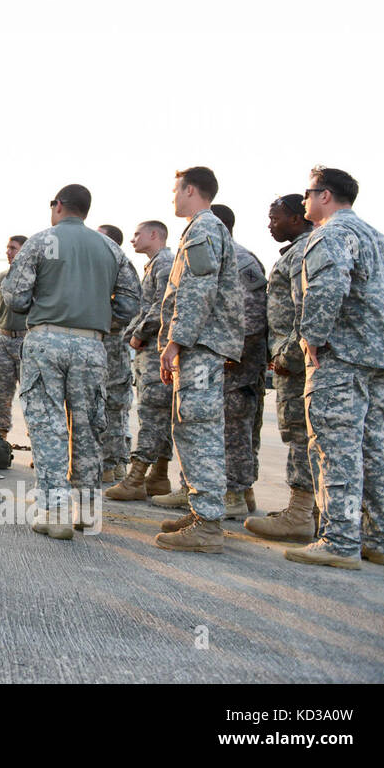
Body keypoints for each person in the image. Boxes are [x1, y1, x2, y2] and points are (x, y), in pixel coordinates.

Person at [2, 185, 140, 539]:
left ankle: (56, 511)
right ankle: (89, 512)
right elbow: (129, 303)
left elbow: (14, 295)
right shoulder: (110, 248)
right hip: (91, 344)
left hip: (46, 339)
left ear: (59, 205)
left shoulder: (41, 240)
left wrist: (46, 305)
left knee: (48, 426)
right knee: (89, 426)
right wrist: (97, 317)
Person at [286, 166, 384, 569]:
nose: (303, 201)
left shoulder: (332, 234)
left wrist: (312, 336)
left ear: (325, 196)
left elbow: (327, 285)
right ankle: (381, 539)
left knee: (336, 450)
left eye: (307, 193)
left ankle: (339, 541)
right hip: (378, 361)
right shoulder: (382, 241)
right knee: (375, 451)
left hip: (342, 358)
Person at [154, 167, 244, 553]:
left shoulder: (203, 229)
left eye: (175, 189)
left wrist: (175, 342)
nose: (172, 196)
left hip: (200, 348)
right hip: (200, 346)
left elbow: (197, 292)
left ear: (190, 189)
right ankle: (200, 512)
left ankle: (207, 525)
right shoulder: (201, 229)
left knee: (199, 431)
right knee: (190, 428)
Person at [245, 195, 317, 541]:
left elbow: (308, 312)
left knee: (301, 435)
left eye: (275, 218)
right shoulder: (299, 250)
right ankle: (310, 510)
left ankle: (301, 513)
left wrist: (285, 357)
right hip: (298, 360)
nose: (270, 224)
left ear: (297, 217)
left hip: (298, 366)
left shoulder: (306, 251)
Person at [106, 220, 174, 501]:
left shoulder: (164, 263)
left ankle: (136, 479)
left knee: (152, 413)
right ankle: (158, 477)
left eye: (137, 234)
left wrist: (137, 332)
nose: (132, 239)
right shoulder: (155, 263)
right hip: (152, 349)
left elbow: (163, 305)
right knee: (159, 415)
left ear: (154, 235)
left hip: (154, 348)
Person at [212, 203, 268, 518]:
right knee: (236, 428)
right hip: (234, 357)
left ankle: (233, 494)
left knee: (233, 430)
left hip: (238, 362)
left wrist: (236, 351)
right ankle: (240, 492)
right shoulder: (224, 256)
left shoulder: (237, 257)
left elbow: (254, 312)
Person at [96, 224, 140, 483]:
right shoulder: (96, 266)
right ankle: (109, 461)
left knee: (115, 405)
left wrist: (97, 319)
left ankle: (114, 462)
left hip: (113, 344)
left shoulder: (119, 265)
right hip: (96, 344)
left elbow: (129, 307)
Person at [0, 235, 29, 438]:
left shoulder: (37, 279)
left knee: (33, 395)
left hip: (27, 343)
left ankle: (39, 446)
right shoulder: (0, 278)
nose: (8, 252)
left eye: (13, 248)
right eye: (7, 248)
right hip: (2, 341)